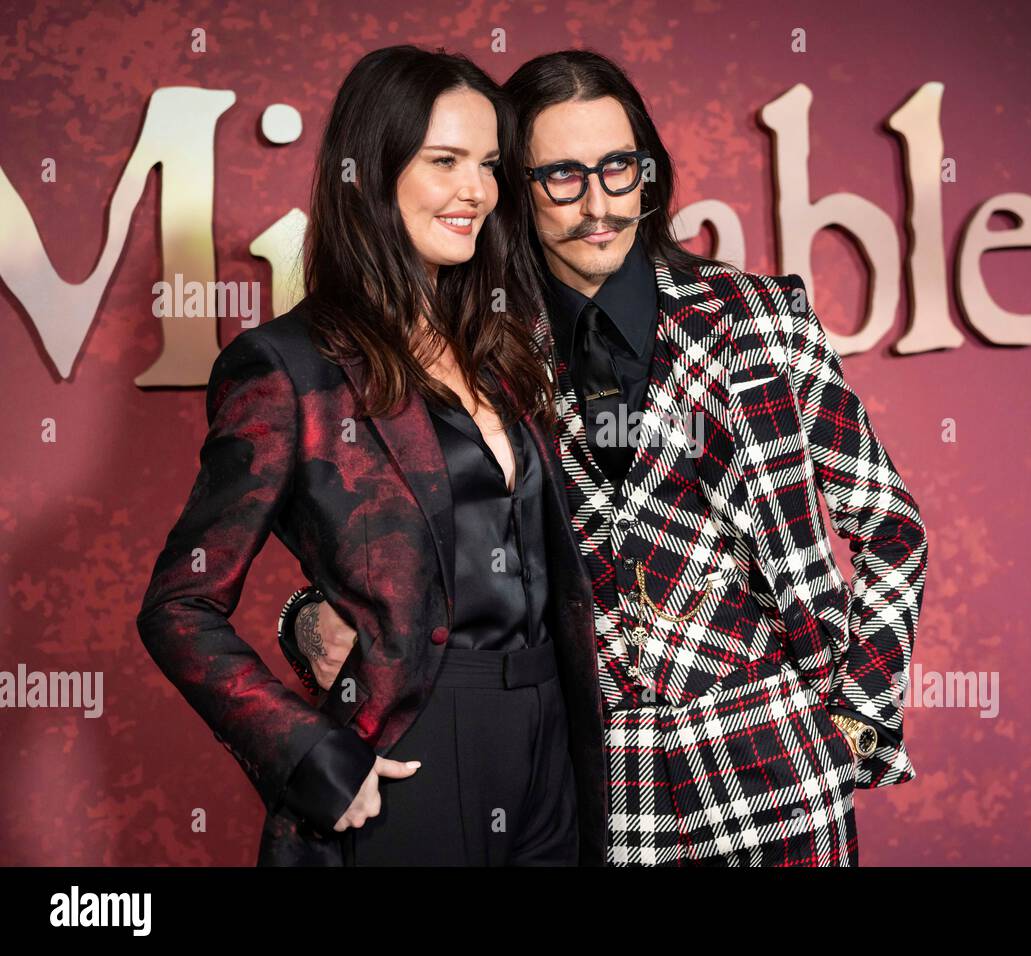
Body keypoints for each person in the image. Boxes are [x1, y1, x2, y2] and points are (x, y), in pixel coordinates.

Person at [280, 49, 929, 866]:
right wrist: (307, 613)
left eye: (619, 168)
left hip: (777, 767)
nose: (598, 204)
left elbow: (891, 526)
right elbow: (417, 536)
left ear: (647, 173)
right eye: (561, 176)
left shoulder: (761, 318)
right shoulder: (476, 353)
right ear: (514, 190)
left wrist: (858, 714)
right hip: (591, 786)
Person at [136, 45, 608, 866]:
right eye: (445, 161)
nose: (477, 191)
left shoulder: (502, 347)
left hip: (553, 743)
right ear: (370, 171)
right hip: (417, 743)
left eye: (490, 164)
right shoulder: (289, 368)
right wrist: (309, 757)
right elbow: (178, 606)